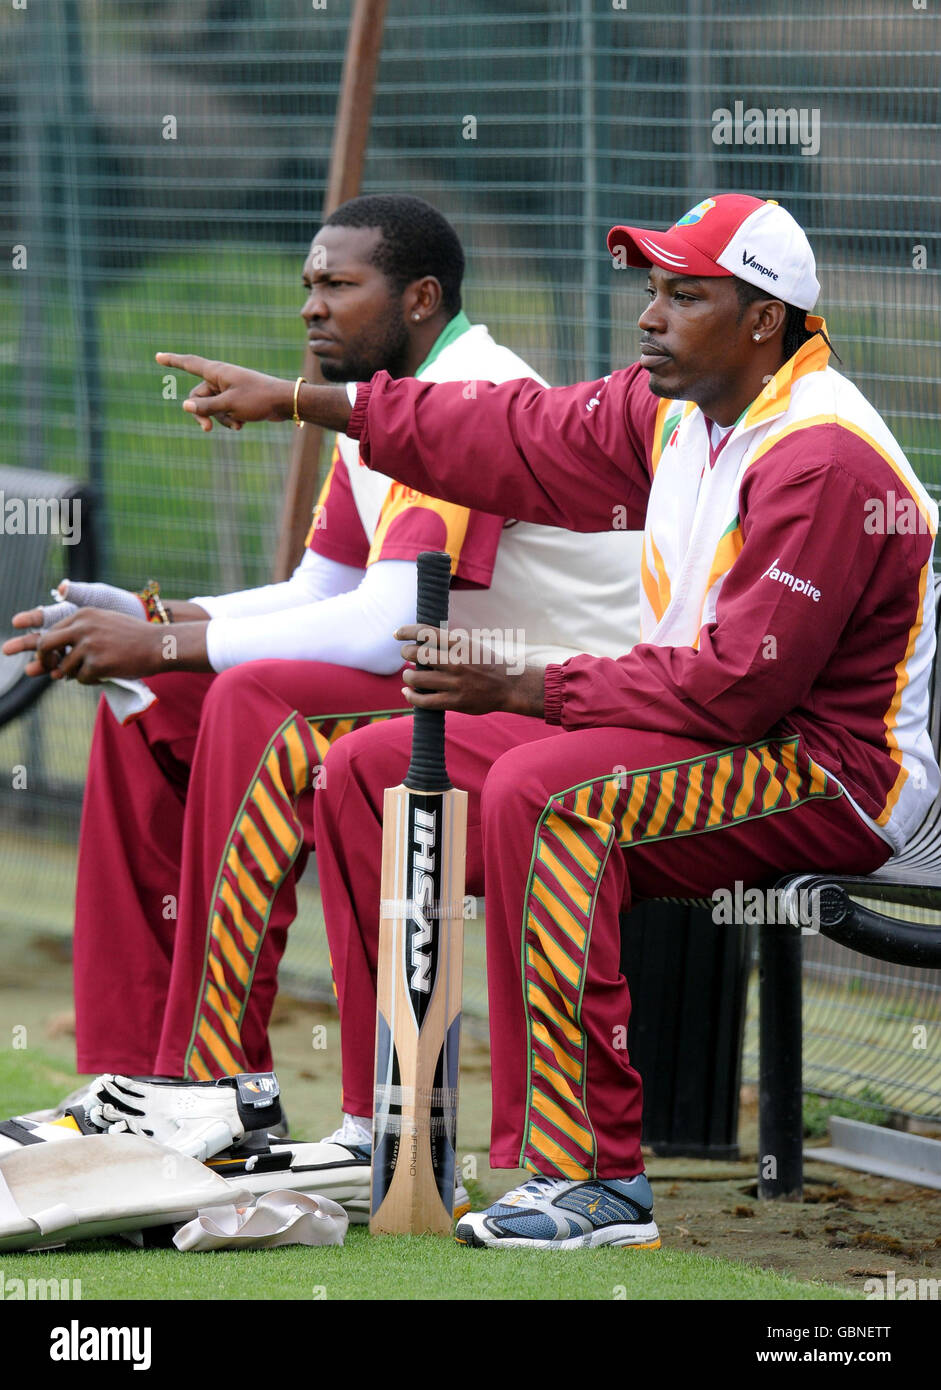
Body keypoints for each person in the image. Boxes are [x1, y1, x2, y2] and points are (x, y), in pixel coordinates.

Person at [29, 193, 941, 1252]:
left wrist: (525, 687)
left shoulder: (818, 457)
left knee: (544, 799)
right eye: (649, 291)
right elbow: (512, 434)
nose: (649, 318)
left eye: (682, 296)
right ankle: (396, 1124)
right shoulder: (681, 412)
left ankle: (593, 1180)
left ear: (761, 321)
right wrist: (301, 402)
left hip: (827, 772)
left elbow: (738, 689)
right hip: (698, 727)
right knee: (375, 767)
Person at [3, 195, 642, 1117]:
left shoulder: (466, 394)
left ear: (420, 298)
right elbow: (322, 592)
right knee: (157, 698)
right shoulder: (371, 414)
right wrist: (156, 622)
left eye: (339, 284)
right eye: (308, 284)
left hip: (556, 702)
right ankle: (135, 1069)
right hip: (451, 681)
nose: (311, 306)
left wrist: (166, 638)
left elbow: (378, 624)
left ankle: (215, 1081)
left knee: (256, 700)